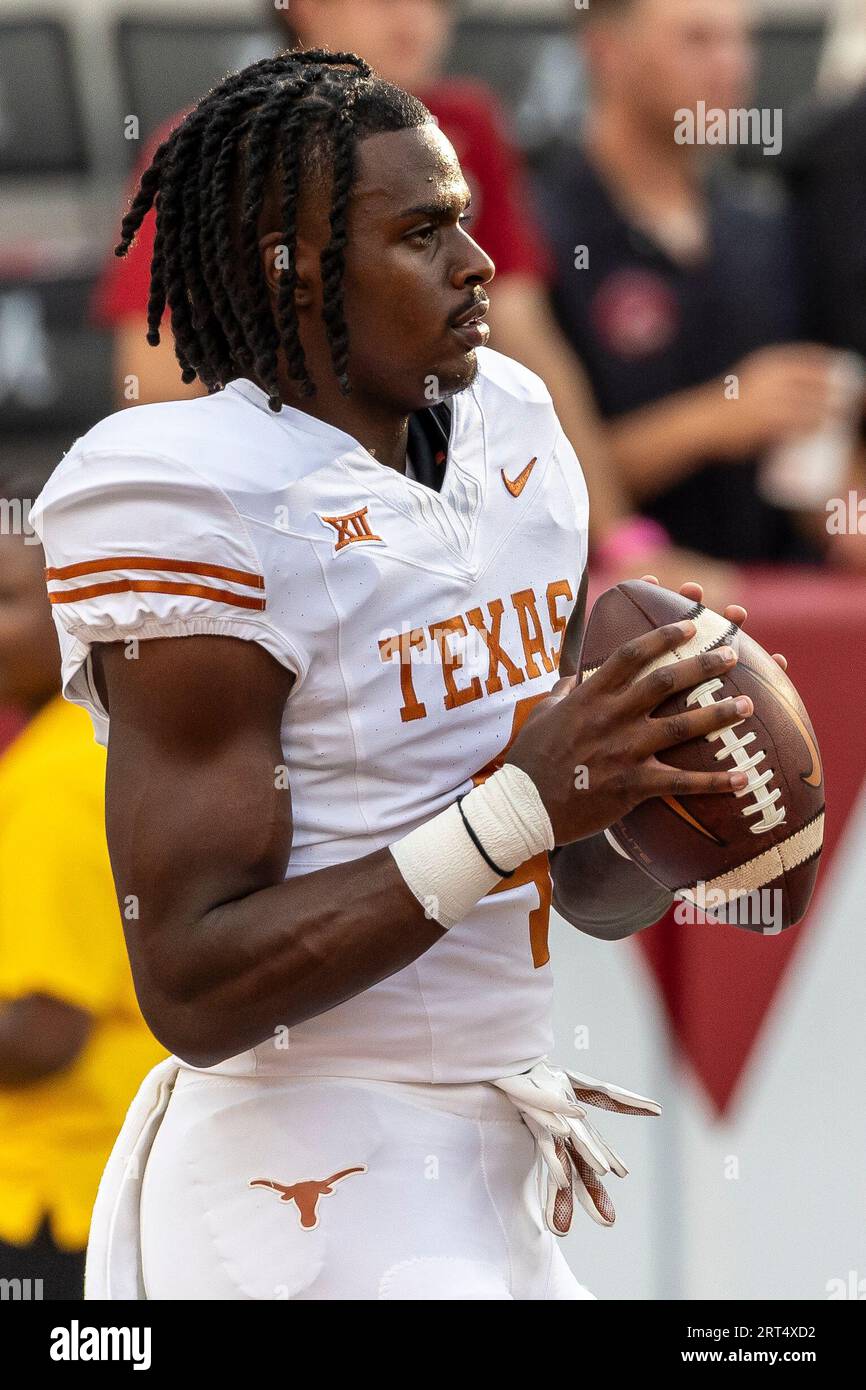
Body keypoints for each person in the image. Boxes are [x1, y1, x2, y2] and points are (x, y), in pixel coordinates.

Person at [35, 52, 771, 1301]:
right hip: (299, 1160)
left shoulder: (516, 431)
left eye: (465, 222)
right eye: (422, 233)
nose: (476, 264)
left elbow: (563, 879)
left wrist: (654, 793)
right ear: (291, 267)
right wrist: (522, 804)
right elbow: (193, 984)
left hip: (488, 1154)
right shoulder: (196, 497)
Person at [91, 0, 730, 600]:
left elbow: (532, 349)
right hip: (280, 535)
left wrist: (621, 542)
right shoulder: (220, 148)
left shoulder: (465, 124)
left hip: (448, 516)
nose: (415, 18)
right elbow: (154, 382)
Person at [536, 0, 848, 565]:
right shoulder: (535, 238)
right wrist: (711, 422)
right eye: (697, 40)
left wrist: (841, 513)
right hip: (614, 602)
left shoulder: (767, 226)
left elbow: (816, 457)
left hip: (777, 597)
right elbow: (521, 479)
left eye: (741, 40)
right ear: (606, 50)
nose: (731, 65)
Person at [0, 469, 164, 1300]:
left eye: (6, 600)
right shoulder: (113, 741)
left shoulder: (54, 776)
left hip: (50, 1198)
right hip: (123, 1183)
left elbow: (41, 1033)